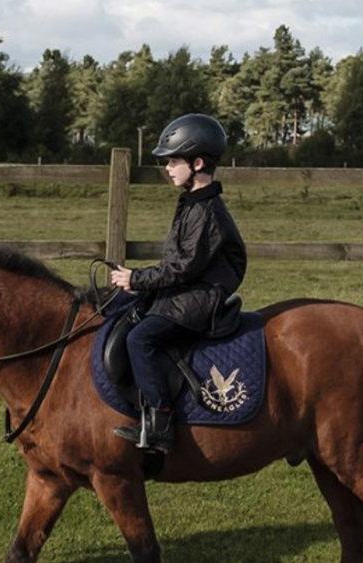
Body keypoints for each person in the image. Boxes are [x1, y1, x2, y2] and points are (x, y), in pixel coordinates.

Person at [110, 114, 248, 454]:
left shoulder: (207, 212)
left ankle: (161, 421)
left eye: (174, 161)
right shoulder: (194, 204)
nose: (168, 168)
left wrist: (138, 278)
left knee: (140, 338)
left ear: (197, 163)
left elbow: (185, 267)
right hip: (186, 290)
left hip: (199, 297)